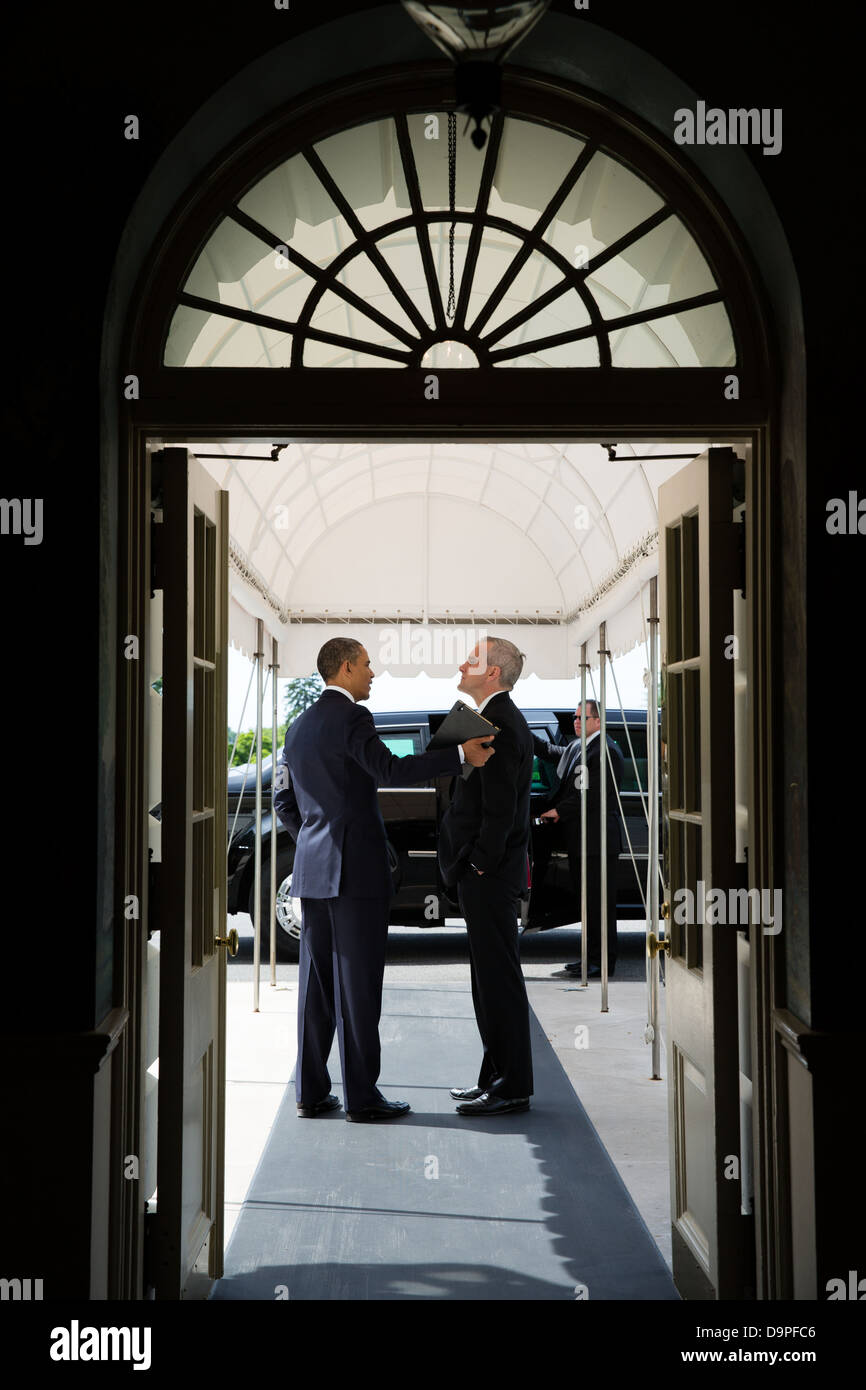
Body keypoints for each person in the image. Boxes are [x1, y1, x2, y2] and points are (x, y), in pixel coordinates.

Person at [274, 637, 495, 1122]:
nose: (373, 674)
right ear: (347, 667)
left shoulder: (298, 727)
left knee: (316, 990)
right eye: (368, 665)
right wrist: (458, 757)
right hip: (357, 875)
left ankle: (311, 1093)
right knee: (358, 988)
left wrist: (316, 838)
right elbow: (389, 768)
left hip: (312, 875)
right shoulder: (353, 718)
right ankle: (363, 1099)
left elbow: (284, 803)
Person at [438, 638, 535, 1116]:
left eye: (471, 659)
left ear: (492, 673)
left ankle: (511, 1085)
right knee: (488, 981)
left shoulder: (501, 725)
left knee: (498, 981)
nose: (461, 664)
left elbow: (499, 814)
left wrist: (476, 864)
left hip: (489, 876)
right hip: (488, 875)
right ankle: (494, 1077)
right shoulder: (492, 719)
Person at [532, 701, 625, 979]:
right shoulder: (579, 746)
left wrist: (559, 810)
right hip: (581, 841)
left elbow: (591, 794)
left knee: (600, 906)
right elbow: (550, 752)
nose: (575, 722)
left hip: (598, 842)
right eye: (574, 717)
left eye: (581, 718)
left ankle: (602, 963)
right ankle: (590, 958)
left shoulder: (605, 750)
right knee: (587, 905)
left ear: (597, 720)